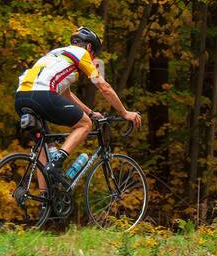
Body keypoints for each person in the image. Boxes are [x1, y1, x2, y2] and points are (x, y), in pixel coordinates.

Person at [14, 27, 141, 173]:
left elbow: (66, 94)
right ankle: (57, 161)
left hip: (21, 98)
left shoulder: (56, 54)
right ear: (89, 47)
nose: (93, 59)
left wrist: (90, 112)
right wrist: (125, 113)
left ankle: (48, 184)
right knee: (85, 124)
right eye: (94, 54)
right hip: (42, 95)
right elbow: (105, 88)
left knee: (44, 150)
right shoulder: (82, 53)